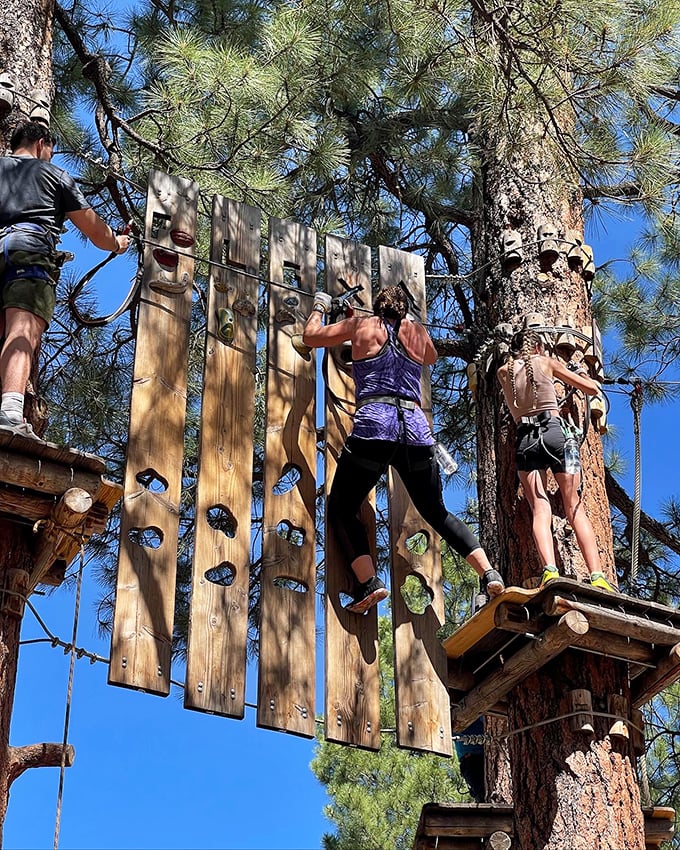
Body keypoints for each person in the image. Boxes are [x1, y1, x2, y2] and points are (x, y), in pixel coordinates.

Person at [302, 284, 504, 614]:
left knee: (341, 506)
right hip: (415, 434)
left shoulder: (360, 326)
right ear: (404, 309)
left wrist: (321, 307)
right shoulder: (416, 332)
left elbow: (310, 337)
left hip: (374, 429)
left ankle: (369, 582)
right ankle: (488, 572)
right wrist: (409, 326)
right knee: (437, 512)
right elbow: (430, 357)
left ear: (377, 306)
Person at [0, 120, 129, 439]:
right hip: (29, 252)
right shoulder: (54, 176)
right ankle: (10, 413)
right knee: (22, 330)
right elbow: (95, 230)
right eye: (50, 151)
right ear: (41, 144)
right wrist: (117, 243)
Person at [496, 328, 614, 590]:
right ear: (538, 347)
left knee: (540, 507)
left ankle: (549, 570)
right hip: (556, 434)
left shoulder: (503, 372)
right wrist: (581, 373)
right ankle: (598, 575)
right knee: (574, 506)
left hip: (526, 440)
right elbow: (591, 389)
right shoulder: (546, 362)